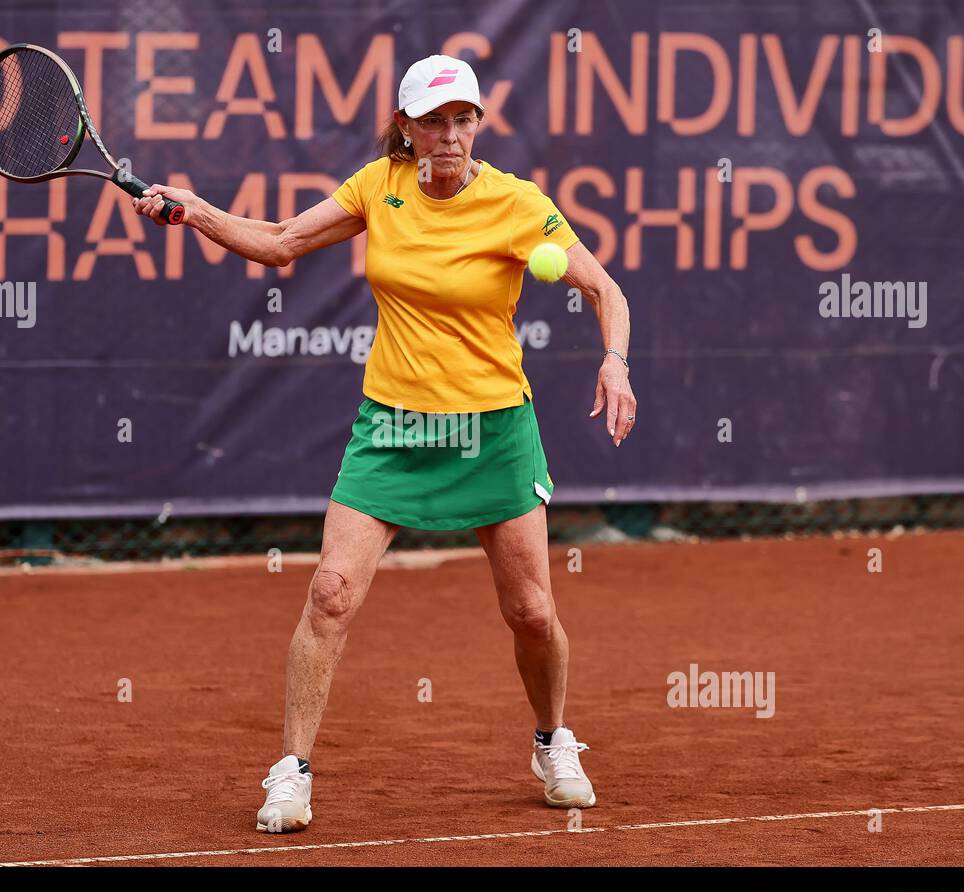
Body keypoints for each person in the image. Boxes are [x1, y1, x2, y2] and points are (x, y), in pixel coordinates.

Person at [133, 54, 635, 833]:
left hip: (493, 429)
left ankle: (552, 741)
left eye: (463, 119)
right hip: (393, 428)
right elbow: (279, 243)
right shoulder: (379, 186)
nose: (450, 135)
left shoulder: (516, 204)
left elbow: (605, 288)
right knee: (330, 591)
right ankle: (292, 772)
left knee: (533, 613)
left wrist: (614, 361)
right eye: (433, 120)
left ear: (477, 126)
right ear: (405, 127)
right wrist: (197, 210)